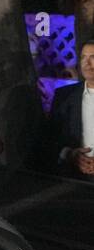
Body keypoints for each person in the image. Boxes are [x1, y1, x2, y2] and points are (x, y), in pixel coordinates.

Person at [48, 38, 94, 180]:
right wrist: (70, 154)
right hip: (76, 180)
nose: (86, 63)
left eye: (93, 57)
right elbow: (49, 138)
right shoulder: (64, 96)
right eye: (83, 58)